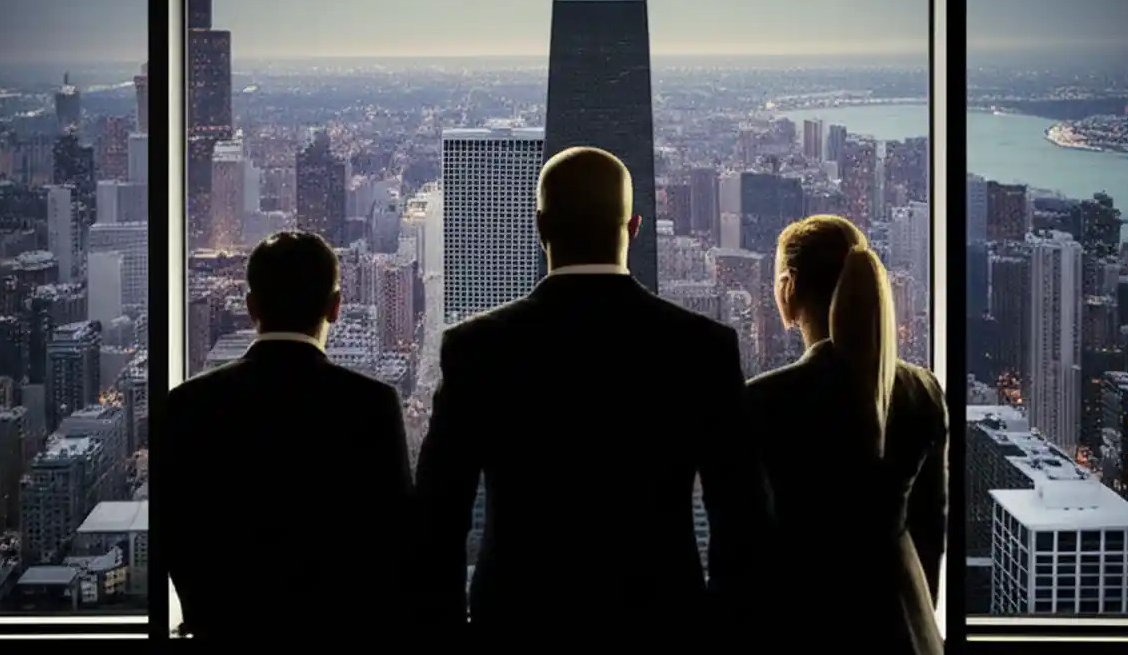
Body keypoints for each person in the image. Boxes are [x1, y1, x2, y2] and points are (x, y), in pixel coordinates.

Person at [414, 146, 771, 625]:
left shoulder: (476, 348)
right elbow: (742, 519)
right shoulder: (702, 349)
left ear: (540, 226)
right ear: (633, 228)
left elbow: (438, 520)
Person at [163, 231, 412, 638]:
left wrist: (210, 617)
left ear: (250, 307)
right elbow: (394, 539)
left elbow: (177, 534)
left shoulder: (188, 404)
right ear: (335, 307)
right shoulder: (372, 405)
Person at [747, 214, 947, 654]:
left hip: (804, 625)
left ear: (789, 287)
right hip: (907, 628)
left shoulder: (762, 402)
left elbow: (748, 549)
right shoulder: (923, 391)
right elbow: (930, 534)